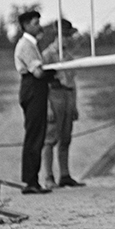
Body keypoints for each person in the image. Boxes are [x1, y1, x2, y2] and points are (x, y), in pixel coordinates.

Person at [39, 18, 83, 188]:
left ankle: (65, 175)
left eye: (68, 36)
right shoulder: (48, 55)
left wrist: (74, 105)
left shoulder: (69, 57)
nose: (67, 39)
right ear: (56, 35)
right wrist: (48, 106)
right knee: (50, 139)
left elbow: (73, 83)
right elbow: (43, 84)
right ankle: (49, 177)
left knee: (66, 138)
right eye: (63, 35)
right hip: (54, 95)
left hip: (67, 96)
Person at [14, 7, 53, 195]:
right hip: (32, 88)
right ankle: (30, 182)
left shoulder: (33, 44)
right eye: (35, 23)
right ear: (26, 25)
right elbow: (37, 72)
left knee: (37, 133)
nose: (39, 26)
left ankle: (32, 180)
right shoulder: (26, 45)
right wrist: (53, 72)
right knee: (34, 135)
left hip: (35, 88)